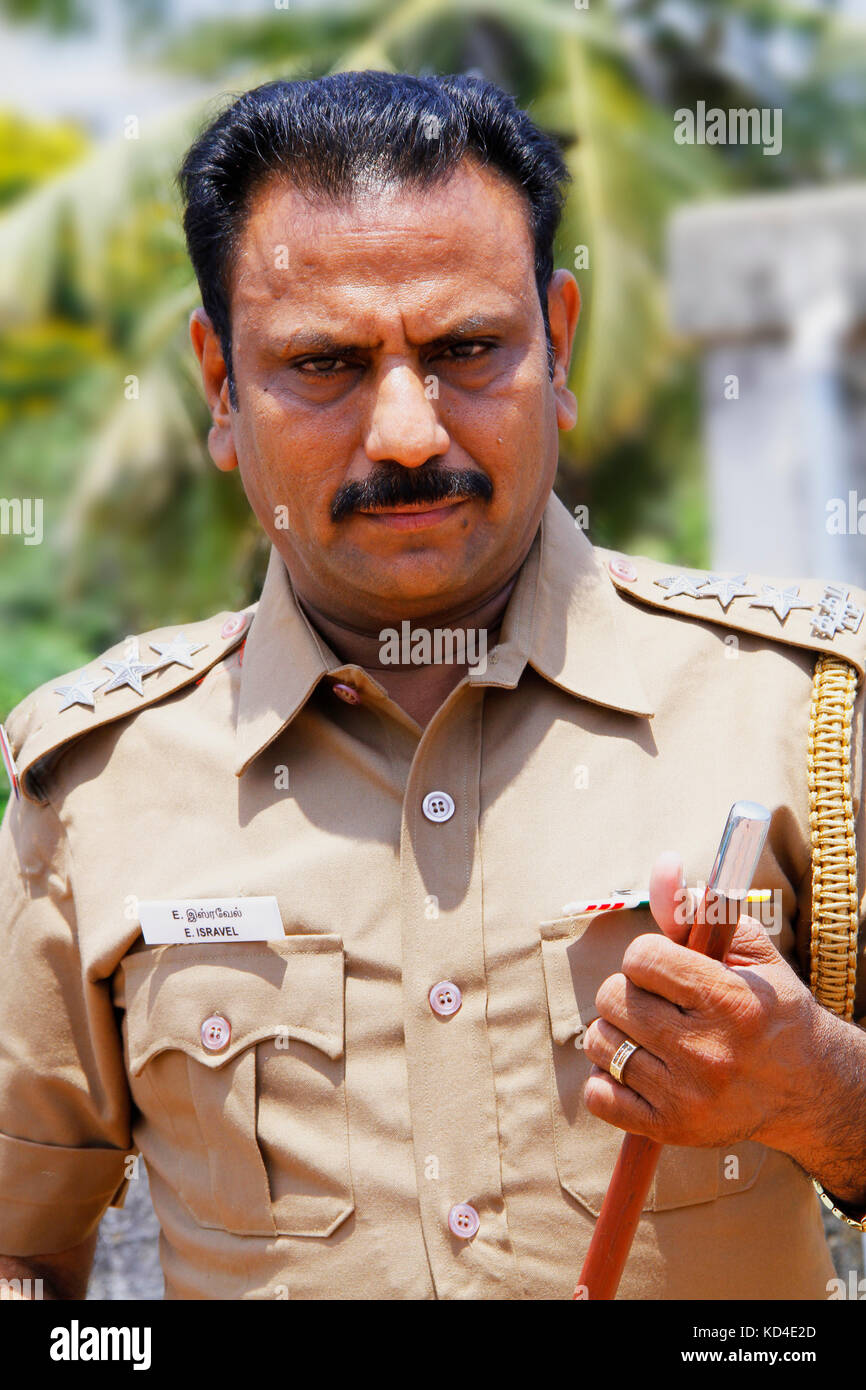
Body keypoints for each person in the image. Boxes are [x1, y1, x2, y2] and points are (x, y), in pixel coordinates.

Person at [0, 71, 864, 1302]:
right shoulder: (98, 784)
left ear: (556, 345)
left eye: (464, 350)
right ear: (219, 387)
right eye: (324, 363)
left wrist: (818, 1092)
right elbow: (21, 1249)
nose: (407, 432)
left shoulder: (799, 715)